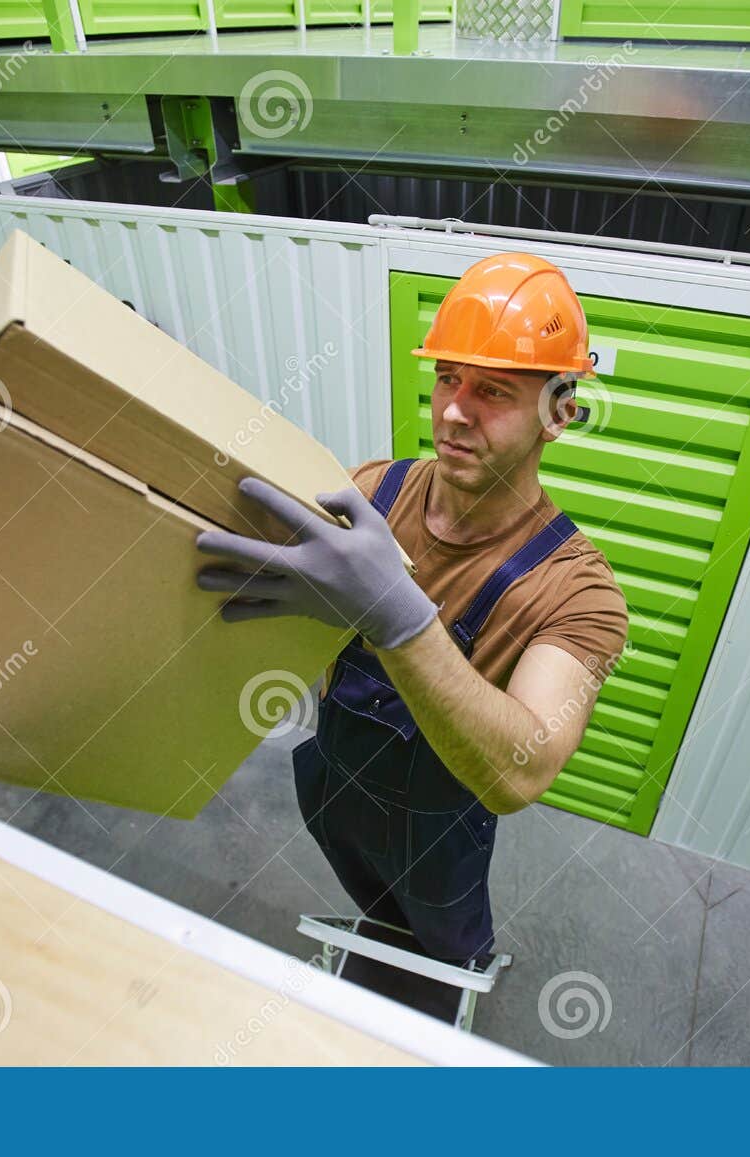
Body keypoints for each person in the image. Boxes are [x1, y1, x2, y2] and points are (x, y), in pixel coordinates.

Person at [196, 252, 629, 964]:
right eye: (447, 378)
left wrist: (398, 618)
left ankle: (454, 979)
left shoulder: (577, 592)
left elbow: (524, 769)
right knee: (373, 904)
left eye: (493, 390)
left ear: (560, 411)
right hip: (334, 779)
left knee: (447, 943)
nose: (455, 411)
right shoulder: (369, 491)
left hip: (438, 826)